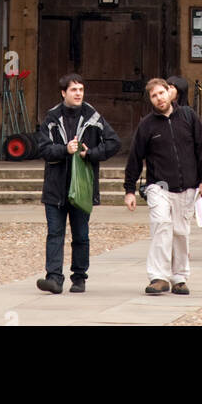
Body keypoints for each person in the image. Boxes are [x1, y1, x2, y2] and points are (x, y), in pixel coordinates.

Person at [124, 77, 202, 296]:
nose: (159, 99)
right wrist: (129, 189)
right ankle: (158, 277)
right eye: (154, 96)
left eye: (161, 93)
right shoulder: (147, 125)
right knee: (162, 225)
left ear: (169, 92)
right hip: (159, 186)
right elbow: (135, 158)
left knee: (181, 232)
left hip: (188, 185)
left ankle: (180, 278)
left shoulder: (188, 117)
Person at [35, 73, 120, 294]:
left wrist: (90, 153)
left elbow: (113, 143)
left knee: (81, 235)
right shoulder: (52, 118)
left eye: (81, 90)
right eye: (74, 90)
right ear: (64, 93)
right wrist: (65, 150)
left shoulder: (93, 117)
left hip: (82, 186)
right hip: (56, 187)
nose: (78, 93)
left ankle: (79, 278)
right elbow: (43, 149)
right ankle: (54, 278)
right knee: (55, 233)